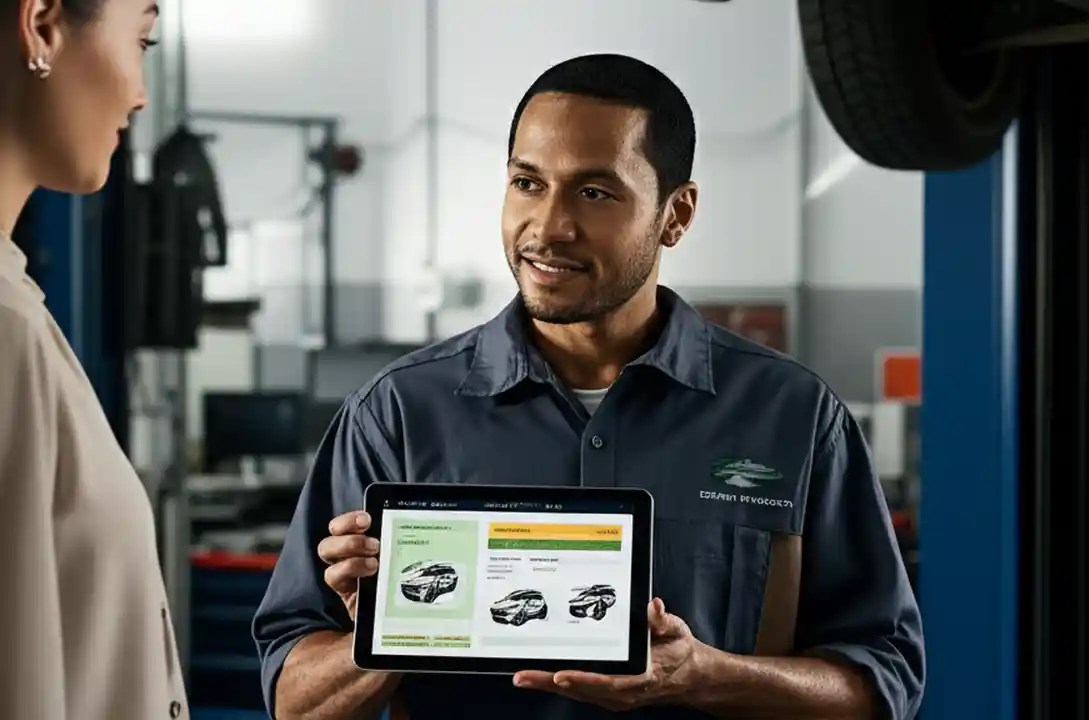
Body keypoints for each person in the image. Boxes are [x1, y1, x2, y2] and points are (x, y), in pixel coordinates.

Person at [253, 53, 925, 720]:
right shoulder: (397, 414)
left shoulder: (791, 415)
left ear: (676, 214)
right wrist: (396, 628)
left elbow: (883, 684)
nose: (548, 227)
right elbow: (294, 701)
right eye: (527, 182)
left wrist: (705, 676)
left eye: (595, 192)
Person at [0, 1, 187, 719]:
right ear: (43, 24)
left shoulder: (20, 308)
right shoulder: (8, 334)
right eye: (141, 40)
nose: (141, 92)